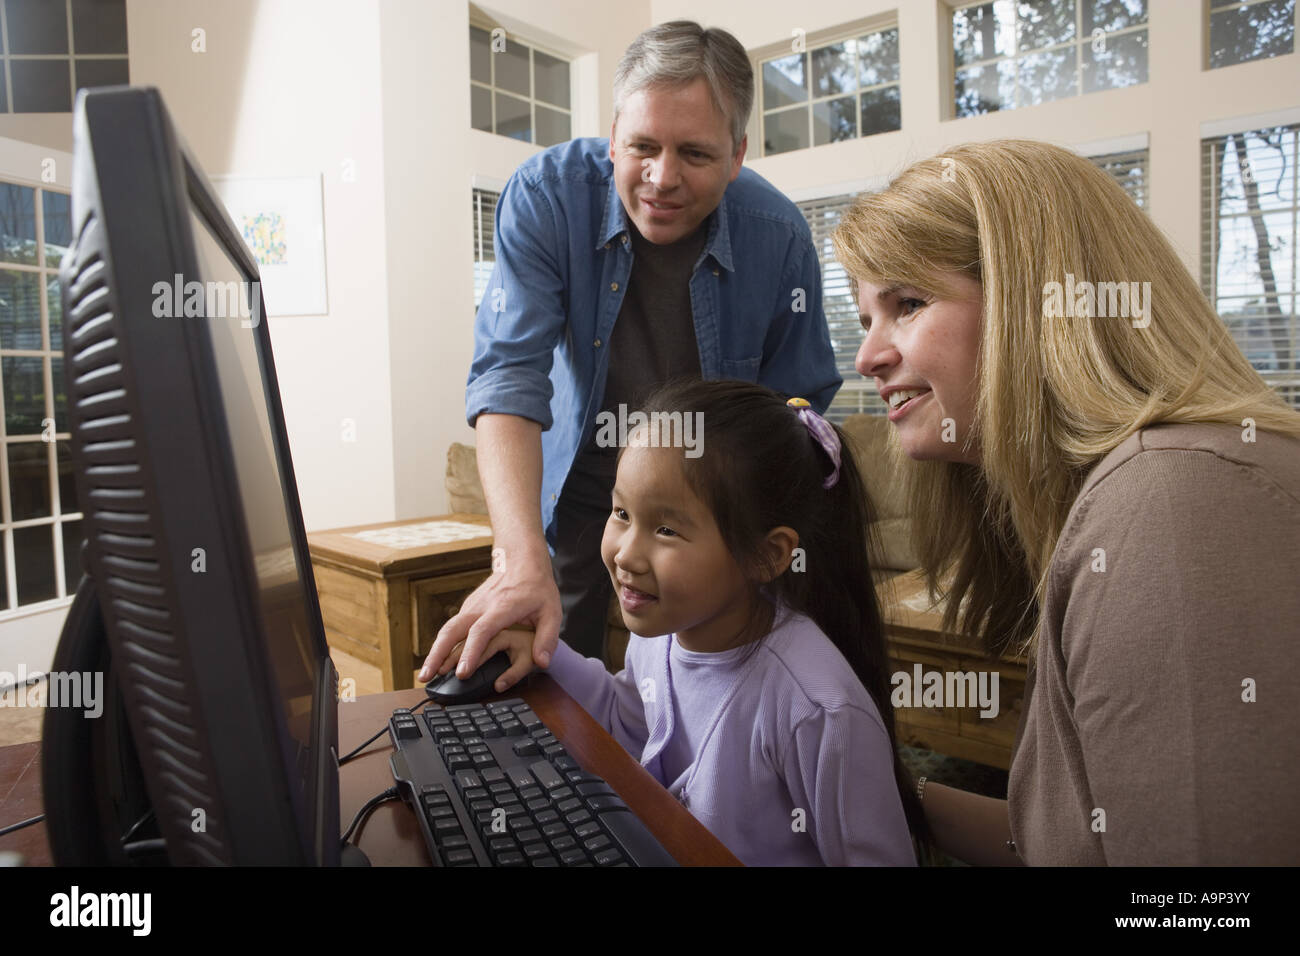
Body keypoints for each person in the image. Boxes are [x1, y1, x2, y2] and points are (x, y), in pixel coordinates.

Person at [832, 138, 1300, 865]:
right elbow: (1071, 838)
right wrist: (874, 791)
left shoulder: (1171, 506)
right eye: (866, 318)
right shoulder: (1133, 492)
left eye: (909, 304)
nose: (867, 357)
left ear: (1037, 304)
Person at [420, 21, 840, 685]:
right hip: (584, 483)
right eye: (641, 146)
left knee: (729, 679)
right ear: (613, 135)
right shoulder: (546, 197)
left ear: (737, 154)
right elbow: (508, 377)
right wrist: (520, 555)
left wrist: (746, 545)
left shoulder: (780, 236)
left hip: (720, 499)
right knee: (556, 672)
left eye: (696, 156)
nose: (661, 178)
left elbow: (798, 409)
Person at [437, 380, 920, 866]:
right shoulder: (664, 634)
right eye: (622, 512)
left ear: (767, 556)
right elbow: (626, 718)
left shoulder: (816, 710)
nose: (625, 554)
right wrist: (543, 654)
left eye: (666, 529)